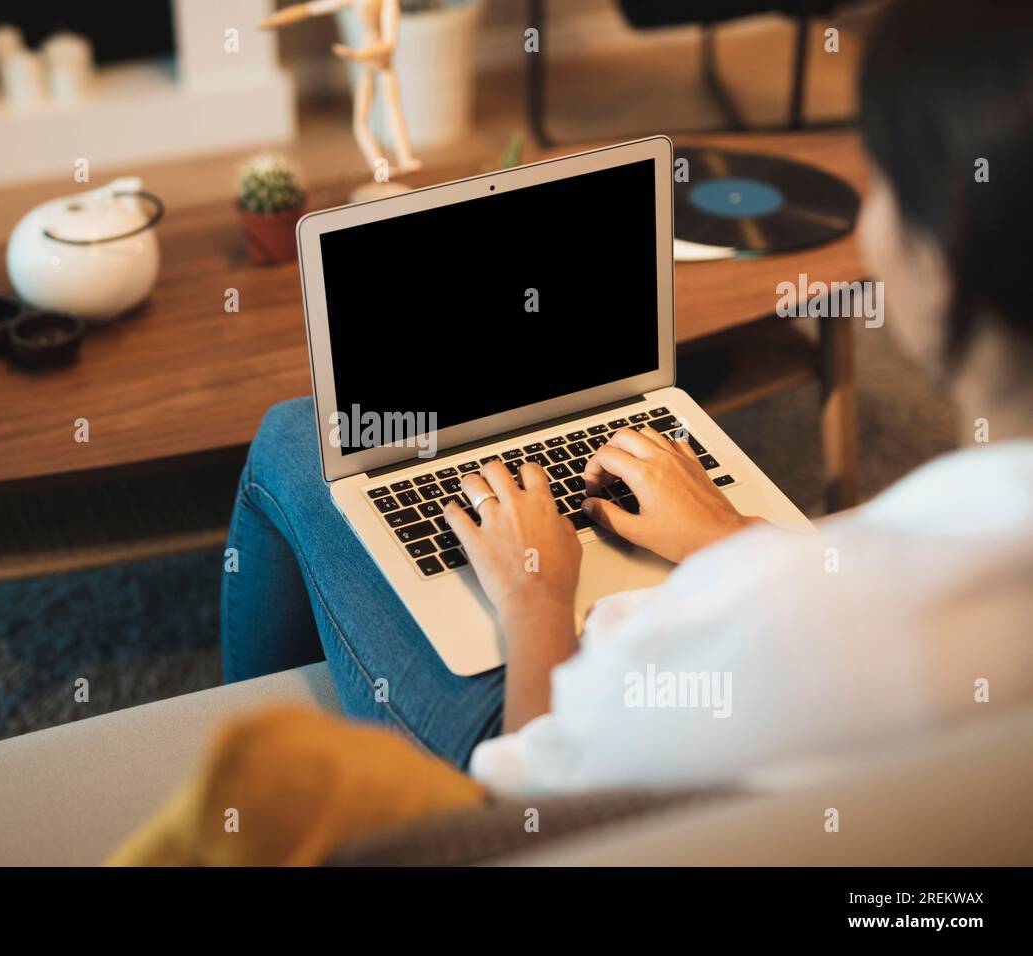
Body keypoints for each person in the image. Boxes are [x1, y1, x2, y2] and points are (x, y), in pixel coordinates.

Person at [220, 0, 1033, 791]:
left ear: (940, 271)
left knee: (294, 439)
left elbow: (533, 804)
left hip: (528, 715)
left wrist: (536, 594)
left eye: (881, 180)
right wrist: (726, 536)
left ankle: (247, 760)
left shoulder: (787, 623)